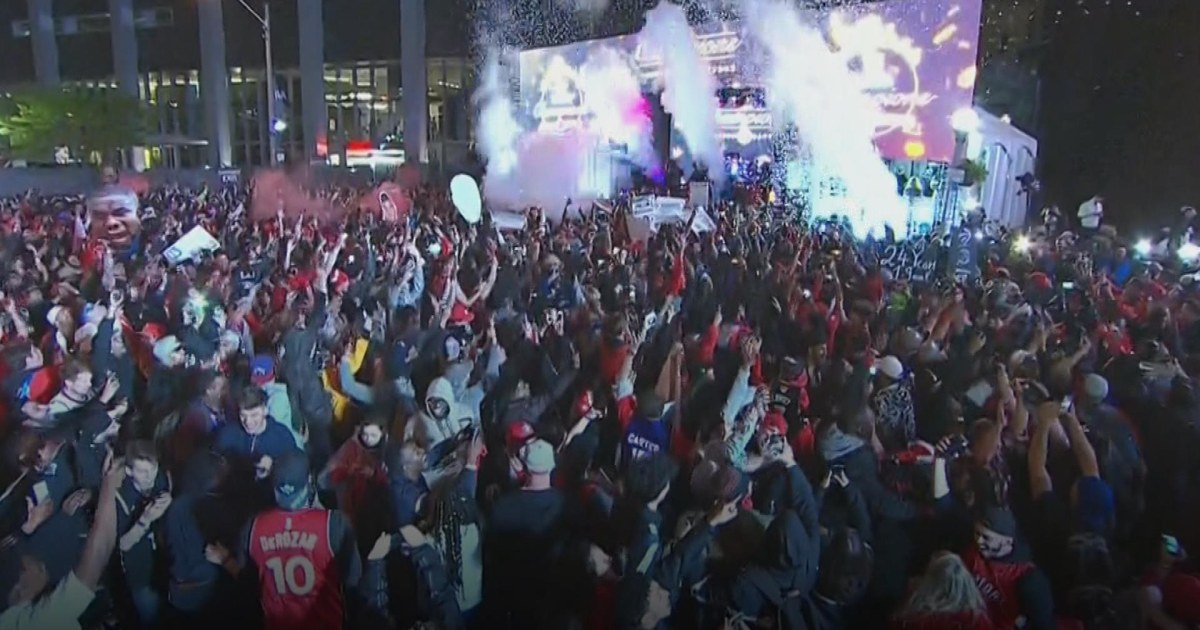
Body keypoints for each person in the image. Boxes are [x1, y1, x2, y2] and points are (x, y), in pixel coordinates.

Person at [205, 450, 364, 630]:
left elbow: (247, 582)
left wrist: (225, 559)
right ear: (309, 481)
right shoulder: (334, 524)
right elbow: (353, 581)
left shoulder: (254, 527)